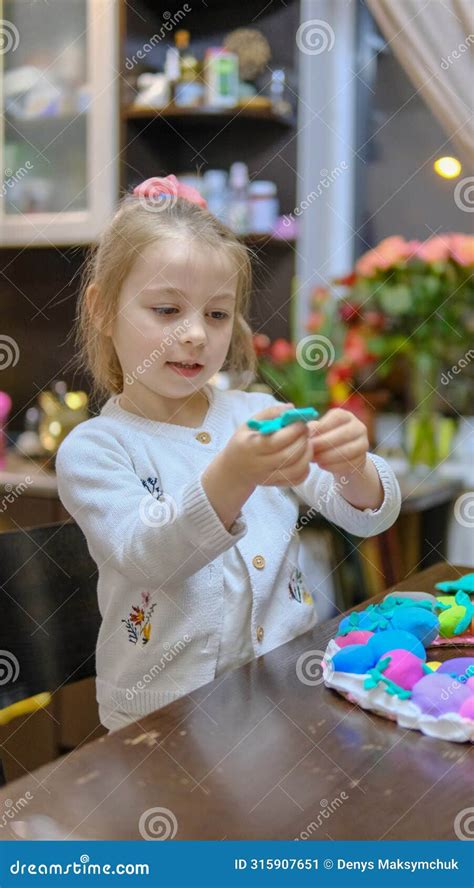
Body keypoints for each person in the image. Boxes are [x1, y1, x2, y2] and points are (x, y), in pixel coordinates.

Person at [55, 174, 401, 733]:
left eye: (216, 314)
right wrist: (232, 475)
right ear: (101, 309)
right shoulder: (95, 450)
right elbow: (149, 557)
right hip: (161, 723)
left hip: (286, 694)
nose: (196, 334)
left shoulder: (256, 413)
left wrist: (354, 467)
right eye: (167, 310)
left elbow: (367, 516)